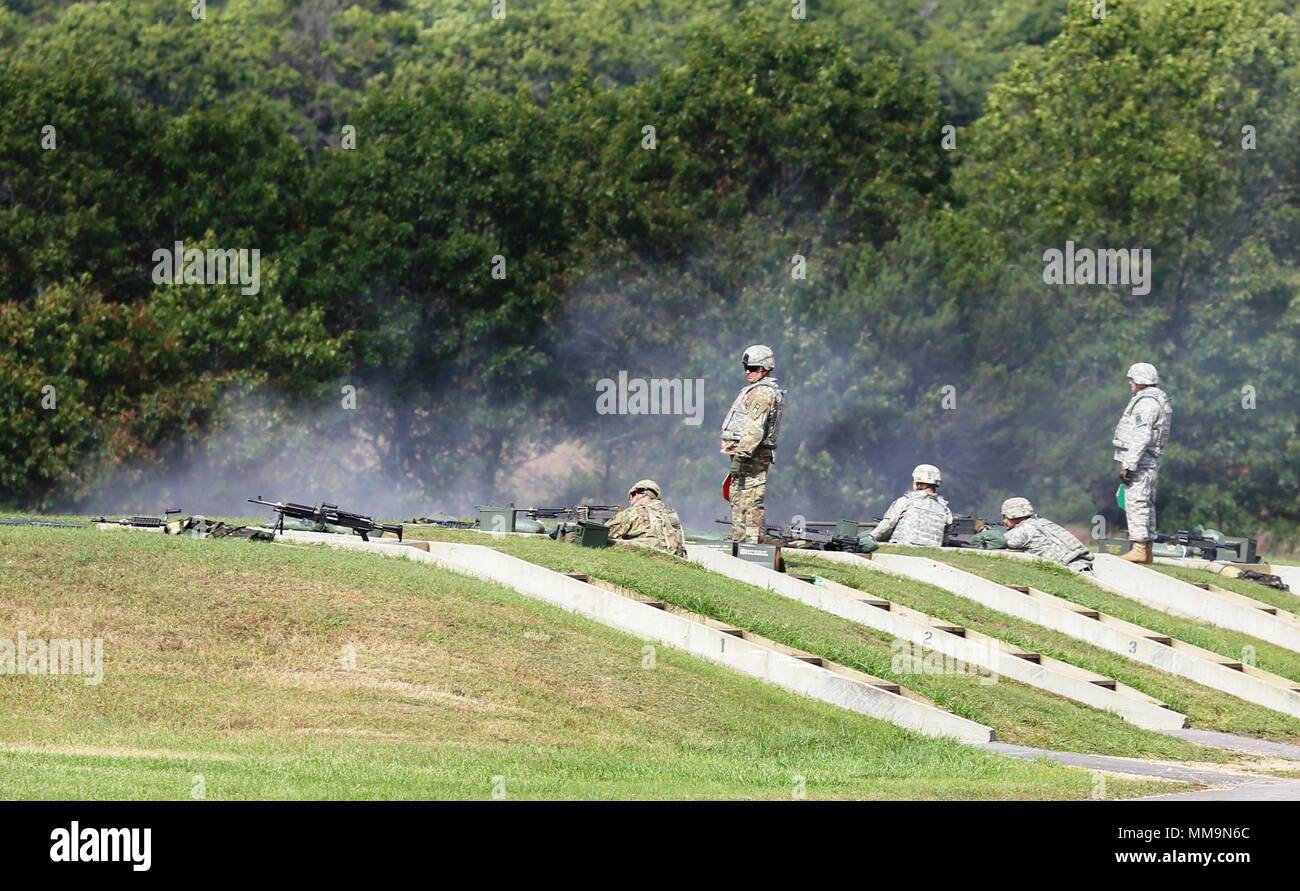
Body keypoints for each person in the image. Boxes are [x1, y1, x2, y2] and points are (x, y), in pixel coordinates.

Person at [720, 344, 784, 543]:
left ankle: (751, 543)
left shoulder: (762, 392)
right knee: (738, 496)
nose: (748, 372)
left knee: (750, 498)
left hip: (752, 456)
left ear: (765, 368)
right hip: (746, 455)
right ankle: (739, 538)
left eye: (754, 368)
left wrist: (741, 455)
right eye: (746, 367)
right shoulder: (756, 390)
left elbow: (755, 430)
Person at [1112, 362, 1173, 563]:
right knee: (1146, 502)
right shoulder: (1157, 400)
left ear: (1139, 381)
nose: (1129, 383)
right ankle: (1146, 549)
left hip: (1141, 460)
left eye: (1132, 379)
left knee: (1136, 501)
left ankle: (1139, 548)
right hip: (1148, 459)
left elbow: (1142, 435)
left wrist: (1129, 464)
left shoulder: (1146, 403)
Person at [863, 464, 954, 548]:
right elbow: (945, 539)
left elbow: (887, 525)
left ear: (919, 484)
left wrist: (869, 538)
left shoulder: (906, 501)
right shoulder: (945, 509)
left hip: (901, 550)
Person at [999, 497, 1094, 573]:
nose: (1004, 521)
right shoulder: (1043, 522)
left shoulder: (1023, 530)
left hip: (1070, 570)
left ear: (1011, 515)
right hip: (1085, 567)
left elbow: (997, 542)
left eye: (1004, 517)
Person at [606, 479, 687, 557]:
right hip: (673, 564)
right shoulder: (672, 514)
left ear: (636, 494)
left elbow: (602, 536)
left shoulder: (632, 512)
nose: (631, 501)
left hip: (642, 562)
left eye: (631, 497)